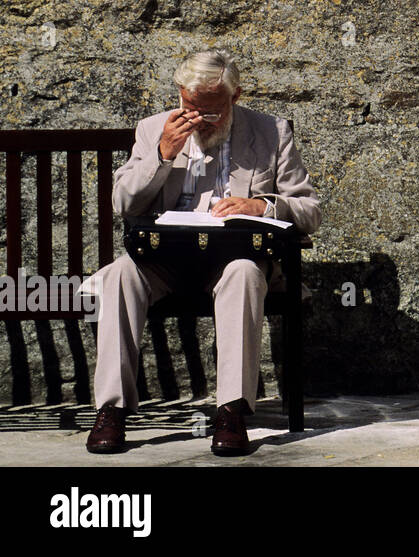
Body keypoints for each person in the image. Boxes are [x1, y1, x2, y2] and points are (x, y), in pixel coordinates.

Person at [84, 50, 320, 455]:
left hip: (233, 258)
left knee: (245, 273)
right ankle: (112, 410)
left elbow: (310, 210)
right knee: (118, 276)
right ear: (180, 94)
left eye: (212, 112)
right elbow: (124, 203)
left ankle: (231, 411)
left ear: (235, 96)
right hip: (166, 259)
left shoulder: (271, 132)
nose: (200, 119)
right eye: (192, 108)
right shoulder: (153, 128)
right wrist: (161, 155)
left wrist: (261, 205)